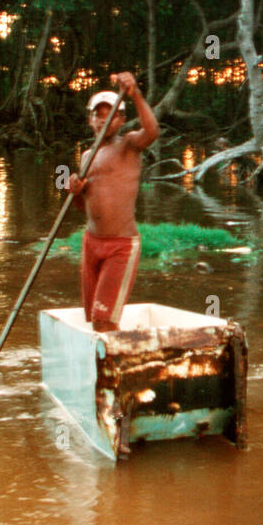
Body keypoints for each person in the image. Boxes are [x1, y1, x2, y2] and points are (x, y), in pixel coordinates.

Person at [67, 72, 159, 331]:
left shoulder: (128, 145)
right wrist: (75, 191)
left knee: (103, 320)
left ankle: (119, 367)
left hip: (120, 246)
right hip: (91, 243)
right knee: (91, 319)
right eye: (98, 114)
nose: (103, 119)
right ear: (90, 120)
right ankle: (96, 368)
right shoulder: (86, 156)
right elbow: (83, 208)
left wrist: (135, 94)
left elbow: (152, 132)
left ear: (121, 120)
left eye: (111, 114)